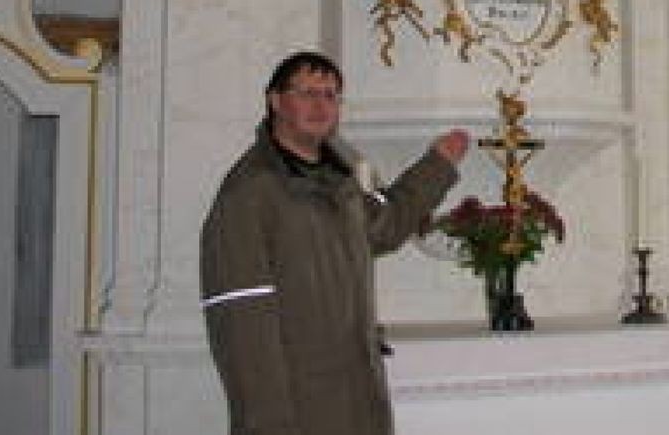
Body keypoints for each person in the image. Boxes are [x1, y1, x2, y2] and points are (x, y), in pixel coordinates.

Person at [200, 51, 469, 435]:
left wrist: (438, 165)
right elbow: (241, 323)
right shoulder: (250, 193)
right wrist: (267, 424)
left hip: (357, 401)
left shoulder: (340, 183)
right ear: (276, 100)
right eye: (308, 92)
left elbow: (388, 223)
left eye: (331, 95)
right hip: (299, 410)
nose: (321, 105)